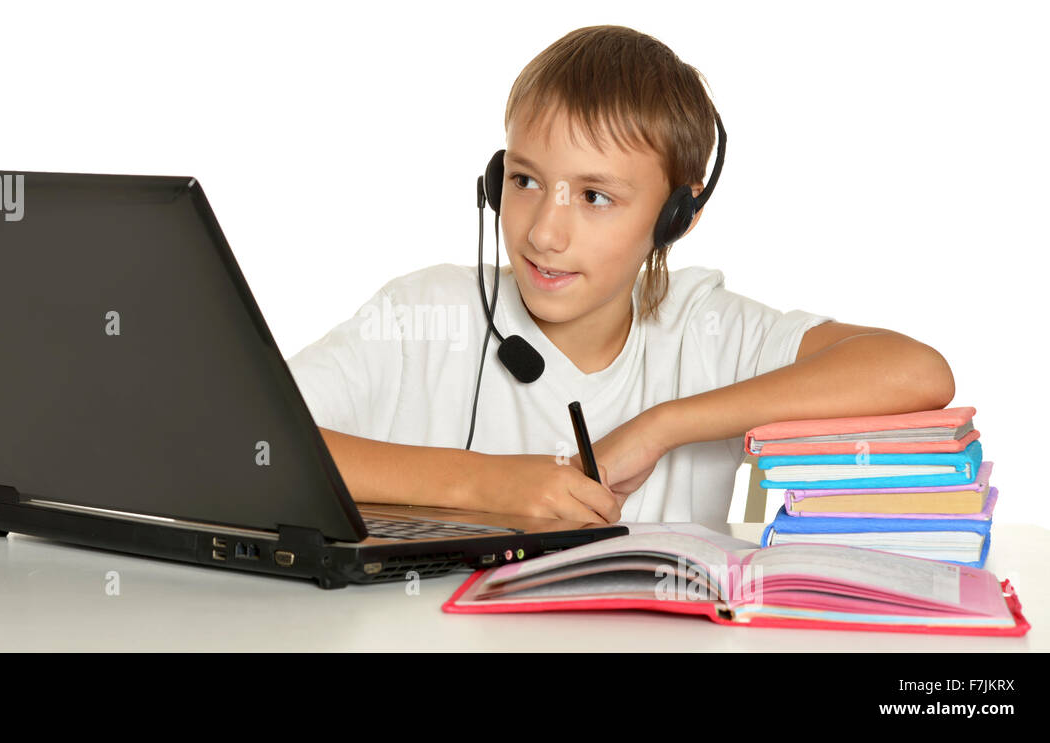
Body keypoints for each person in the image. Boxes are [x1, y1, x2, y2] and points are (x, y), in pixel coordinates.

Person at [286, 25, 955, 525]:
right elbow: (256, 442)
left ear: (675, 216)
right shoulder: (426, 312)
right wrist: (490, 484)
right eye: (525, 180)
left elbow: (916, 371)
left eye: (595, 196)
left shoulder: (705, 329)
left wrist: (660, 425)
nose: (544, 232)